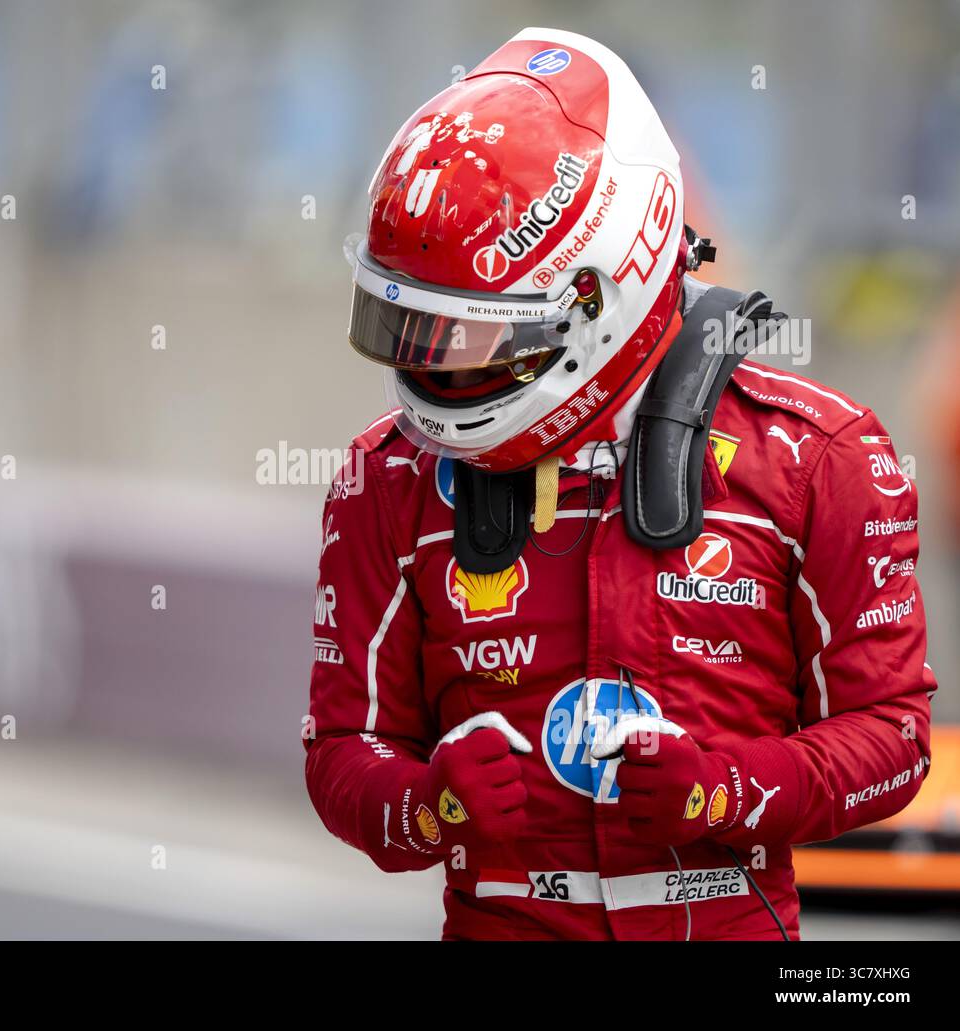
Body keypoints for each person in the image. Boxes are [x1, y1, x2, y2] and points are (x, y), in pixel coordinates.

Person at [304, 26, 934, 940]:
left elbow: (897, 738)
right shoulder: (384, 482)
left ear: (602, 291)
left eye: (471, 343)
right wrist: (430, 804)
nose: (435, 374)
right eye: (414, 337)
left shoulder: (818, 455)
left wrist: (730, 791)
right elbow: (341, 753)